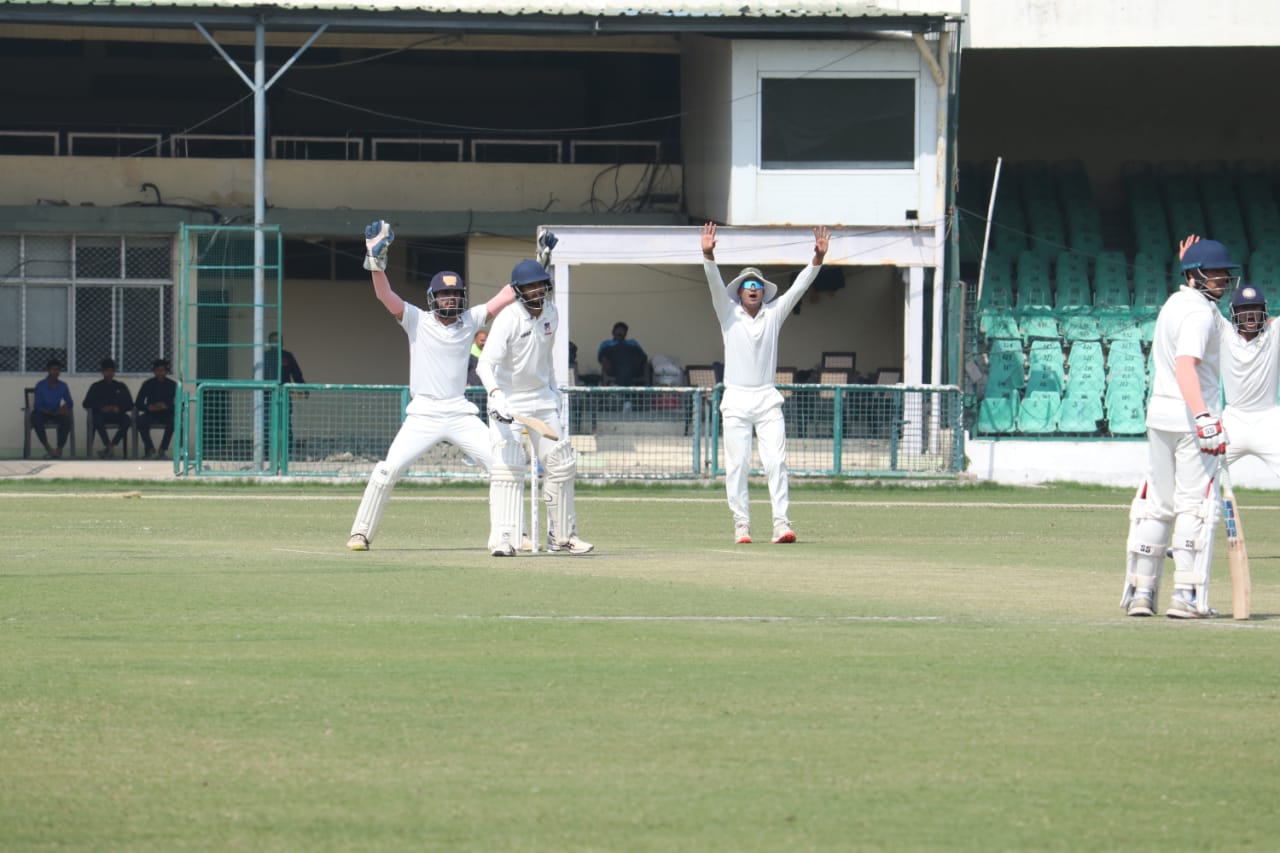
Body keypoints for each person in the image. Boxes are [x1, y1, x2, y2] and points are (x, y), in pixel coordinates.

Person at [346, 220, 518, 551]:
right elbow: (384, 294)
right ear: (432, 297)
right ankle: (360, 533)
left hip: (459, 411)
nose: (450, 299)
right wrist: (375, 261)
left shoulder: (470, 320)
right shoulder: (416, 319)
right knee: (387, 471)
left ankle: (508, 535)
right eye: (444, 294)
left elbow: (505, 295)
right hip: (422, 413)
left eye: (455, 294)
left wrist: (538, 266)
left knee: (502, 468)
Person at [1121, 236, 1239, 619]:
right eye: (1214, 271)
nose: (1222, 278)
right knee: (1194, 506)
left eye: (1224, 272)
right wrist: (1204, 418)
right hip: (1190, 422)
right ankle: (1186, 595)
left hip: (1160, 417)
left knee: (1157, 505)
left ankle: (1142, 593)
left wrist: (1190, 260)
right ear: (1195, 275)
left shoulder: (1177, 303)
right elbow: (1186, 364)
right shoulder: (1198, 314)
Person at [700, 221, 830, 545]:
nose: (754, 288)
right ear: (741, 291)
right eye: (748, 284)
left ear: (763, 290)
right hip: (736, 399)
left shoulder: (774, 314)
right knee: (738, 465)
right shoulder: (728, 314)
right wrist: (707, 254)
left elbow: (799, 287)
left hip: (767, 399)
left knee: (776, 462)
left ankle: (781, 523)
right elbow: (715, 285)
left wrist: (817, 260)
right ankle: (741, 524)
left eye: (758, 283)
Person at [476, 258, 594, 557]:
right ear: (518, 291)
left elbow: (545, 358)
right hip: (508, 399)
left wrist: (553, 391)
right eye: (530, 286)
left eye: (540, 284)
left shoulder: (552, 313)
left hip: (541, 398)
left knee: (561, 463)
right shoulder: (508, 319)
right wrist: (495, 394)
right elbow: (484, 365)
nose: (537, 290)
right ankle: (506, 538)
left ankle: (563, 537)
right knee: (507, 468)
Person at [1218, 282, 1280, 480]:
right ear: (1234, 312)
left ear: (1264, 310)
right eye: (1244, 309)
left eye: (1255, 308)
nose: (1250, 314)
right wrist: (1192, 273)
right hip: (1233, 419)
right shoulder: (1224, 333)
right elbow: (1203, 304)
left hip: (1269, 420)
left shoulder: (1274, 333)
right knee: (1200, 472)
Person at [83, 356, 134, 458]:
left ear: (114, 372)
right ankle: (108, 445)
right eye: (107, 371)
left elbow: (130, 404)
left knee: (127, 420)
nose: (109, 373)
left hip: (117, 414)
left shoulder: (120, 386)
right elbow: (86, 403)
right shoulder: (96, 386)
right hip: (101, 415)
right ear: (102, 372)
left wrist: (119, 408)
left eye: (112, 371)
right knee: (96, 419)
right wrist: (101, 408)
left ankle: (111, 446)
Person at [30, 357, 74, 458]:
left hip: (56, 412)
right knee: (35, 418)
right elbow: (37, 405)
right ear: (49, 370)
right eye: (53, 369)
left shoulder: (63, 386)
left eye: (58, 369)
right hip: (43, 412)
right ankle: (49, 448)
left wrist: (64, 407)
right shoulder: (40, 385)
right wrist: (50, 412)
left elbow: (70, 402)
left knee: (66, 421)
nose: (56, 372)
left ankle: (58, 450)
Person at [134, 357, 176, 459]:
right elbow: (138, 403)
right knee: (140, 421)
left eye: (163, 371)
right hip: (151, 413)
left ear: (166, 372)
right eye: (158, 371)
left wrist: (167, 406)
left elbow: (180, 404)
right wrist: (148, 407)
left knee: (173, 422)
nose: (160, 373)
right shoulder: (148, 384)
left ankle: (162, 450)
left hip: (167, 413)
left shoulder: (172, 385)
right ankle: (149, 449)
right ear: (154, 371)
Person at [598, 321, 650, 386]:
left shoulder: (632, 342)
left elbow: (643, 357)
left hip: (632, 365)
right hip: (613, 366)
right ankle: (627, 390)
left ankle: (618, 387)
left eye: (622, 330)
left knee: (627, 358)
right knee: (623, 361)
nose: (620, 332)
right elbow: (601, 357)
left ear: (626, 333)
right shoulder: (606, 343)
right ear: (613, 332)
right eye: (618, 330)